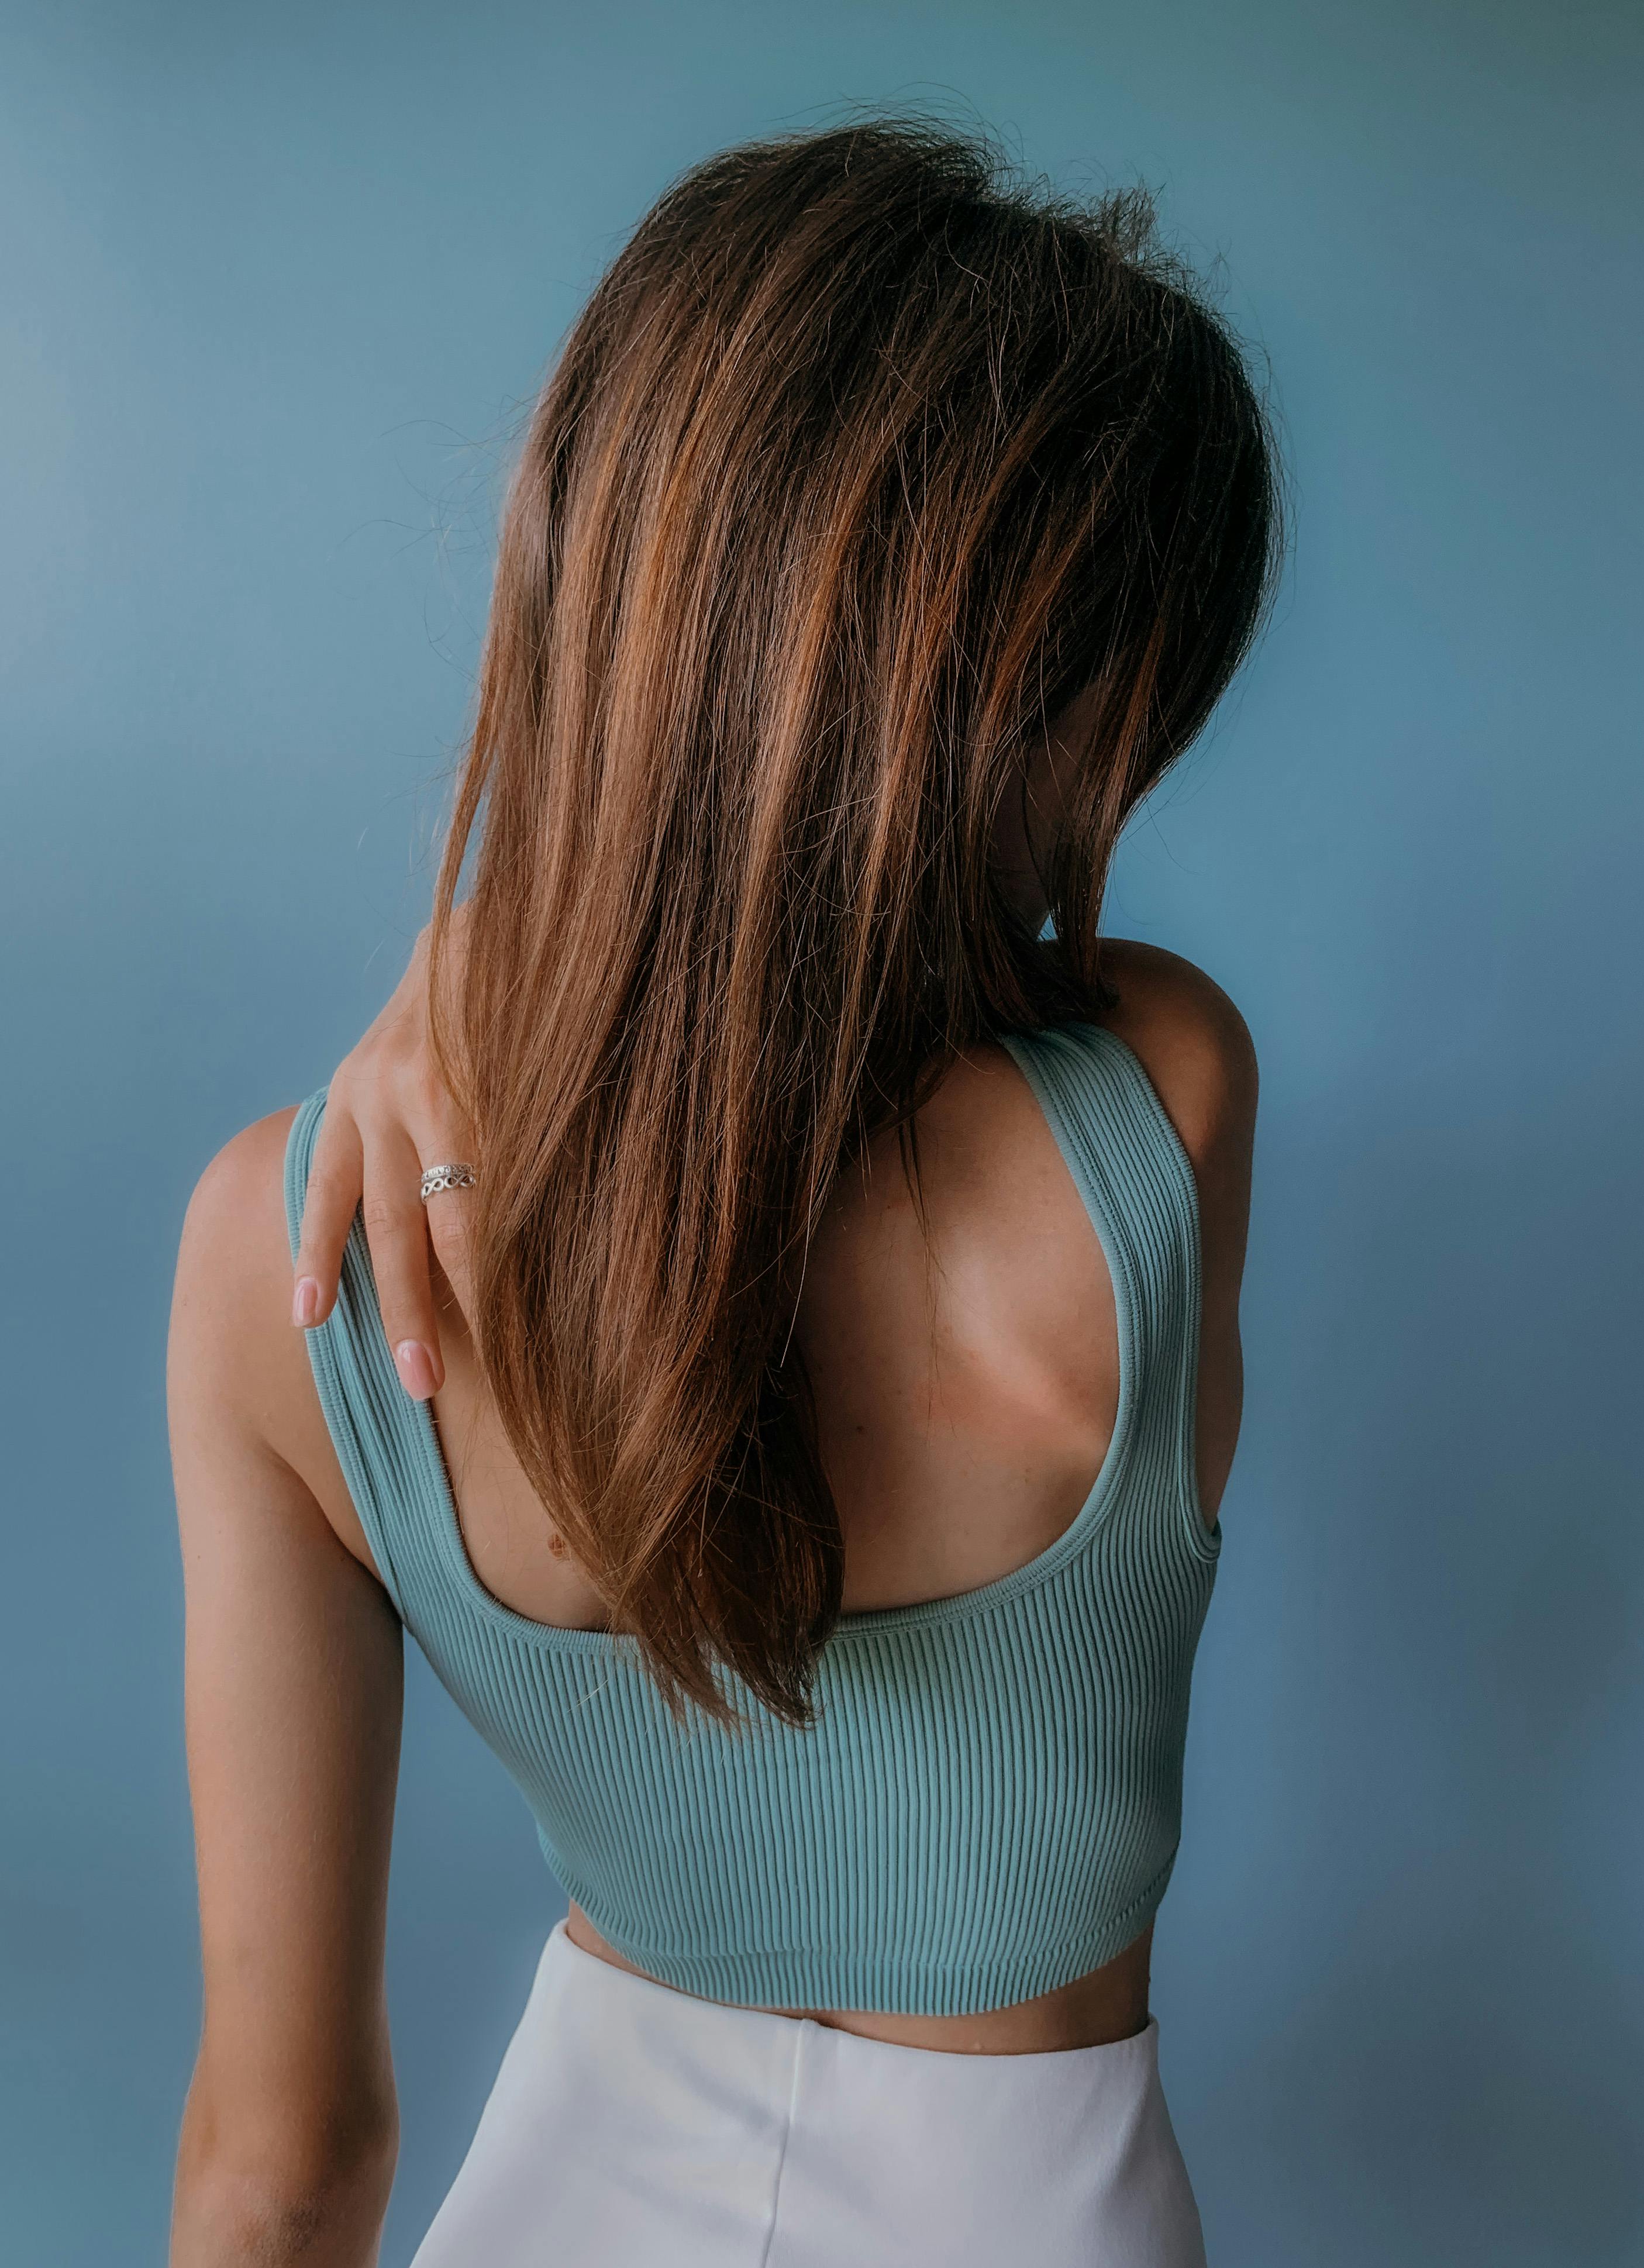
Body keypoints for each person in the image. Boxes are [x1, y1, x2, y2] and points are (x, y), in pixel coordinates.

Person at [167, 119, 1276, 2267]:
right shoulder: (1168, 1105)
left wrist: (456, 967)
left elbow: (280, 2171)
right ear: (1019, 712)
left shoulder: (276, 1260)